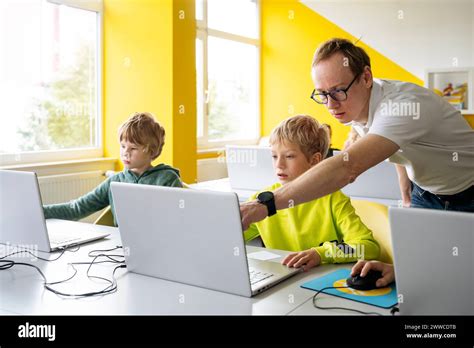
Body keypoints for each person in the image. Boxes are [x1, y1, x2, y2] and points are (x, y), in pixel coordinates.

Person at [241, 37, 474, 232]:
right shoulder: (357, 105)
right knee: (422, 268)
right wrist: (406, 195)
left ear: (366, 77)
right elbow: (397, 146)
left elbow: (347, 167)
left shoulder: (401, 107)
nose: (331, 105)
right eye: (322, 94)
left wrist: (267, 204)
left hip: (469, 190)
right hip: (425, 193)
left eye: (338, 91)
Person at [244, 115, 380, 271]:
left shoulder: (332, 198)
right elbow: (231, 237)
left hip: (322, 283)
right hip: (281, 279)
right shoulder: (262, 200)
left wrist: (321, 253)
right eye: (274, 156)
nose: (279, 165)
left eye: (289, 156)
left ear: (315, 160)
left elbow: (368, 247)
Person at [43, 112, 182, 226]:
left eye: (133, 148)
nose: (125, 152)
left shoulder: (167, 179)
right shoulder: (115, 181)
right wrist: (39, 211)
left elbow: (178, 221)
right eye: (123, 146)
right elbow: (77, 208)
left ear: (151, 151)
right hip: (120, 247)